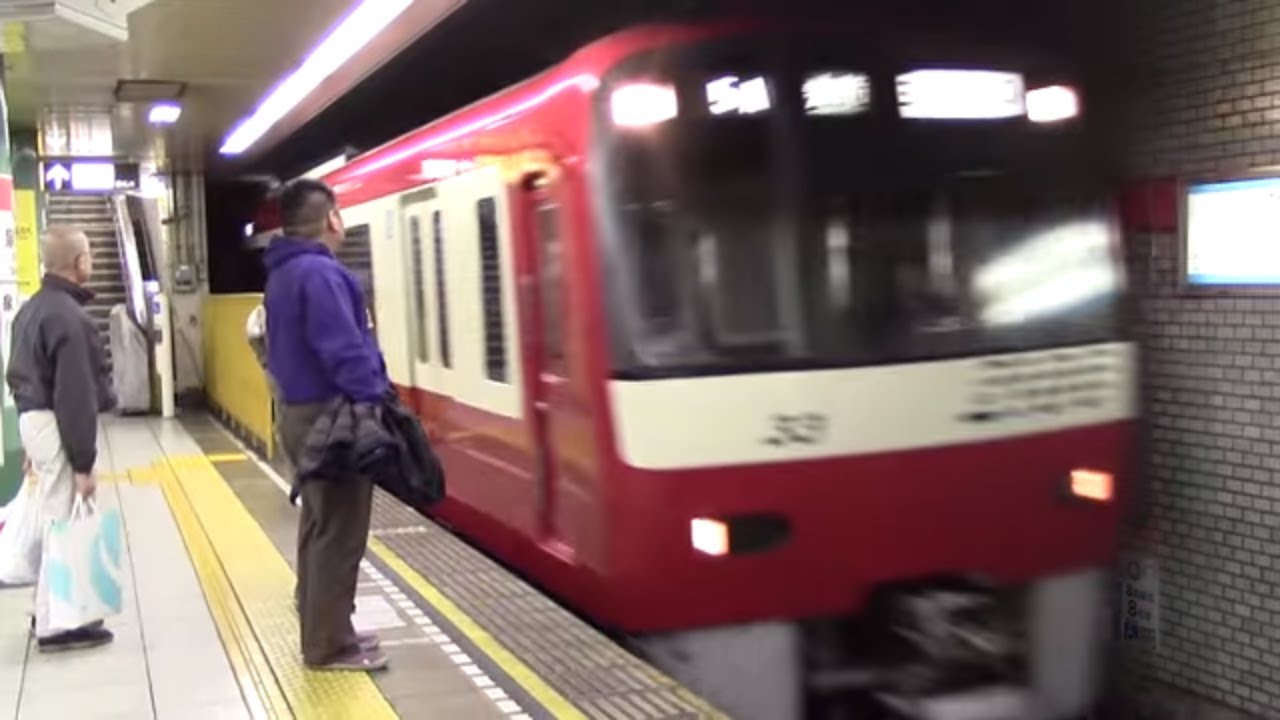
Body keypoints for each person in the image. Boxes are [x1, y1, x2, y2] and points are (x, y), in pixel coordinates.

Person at [262, 179, 389, 672]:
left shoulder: (284, 273)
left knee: (320, 526)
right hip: (330, 418)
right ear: (332, 219)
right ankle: (329, 646)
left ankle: (328, 626)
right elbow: (344, 350)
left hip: (300, 413)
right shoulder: (320, 274)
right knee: (340, 532)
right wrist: (373, 400)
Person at [6, 226, 115, 652]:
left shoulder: (31, 311)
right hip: (54, 421)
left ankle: (59, 613)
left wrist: (34, 447)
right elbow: (76, 396)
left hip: (34, 420)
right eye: (89, 255)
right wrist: (84, 464)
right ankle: (57, 625)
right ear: (79, 262)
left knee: (60, 516)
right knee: (63, 519)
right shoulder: (71, 318)